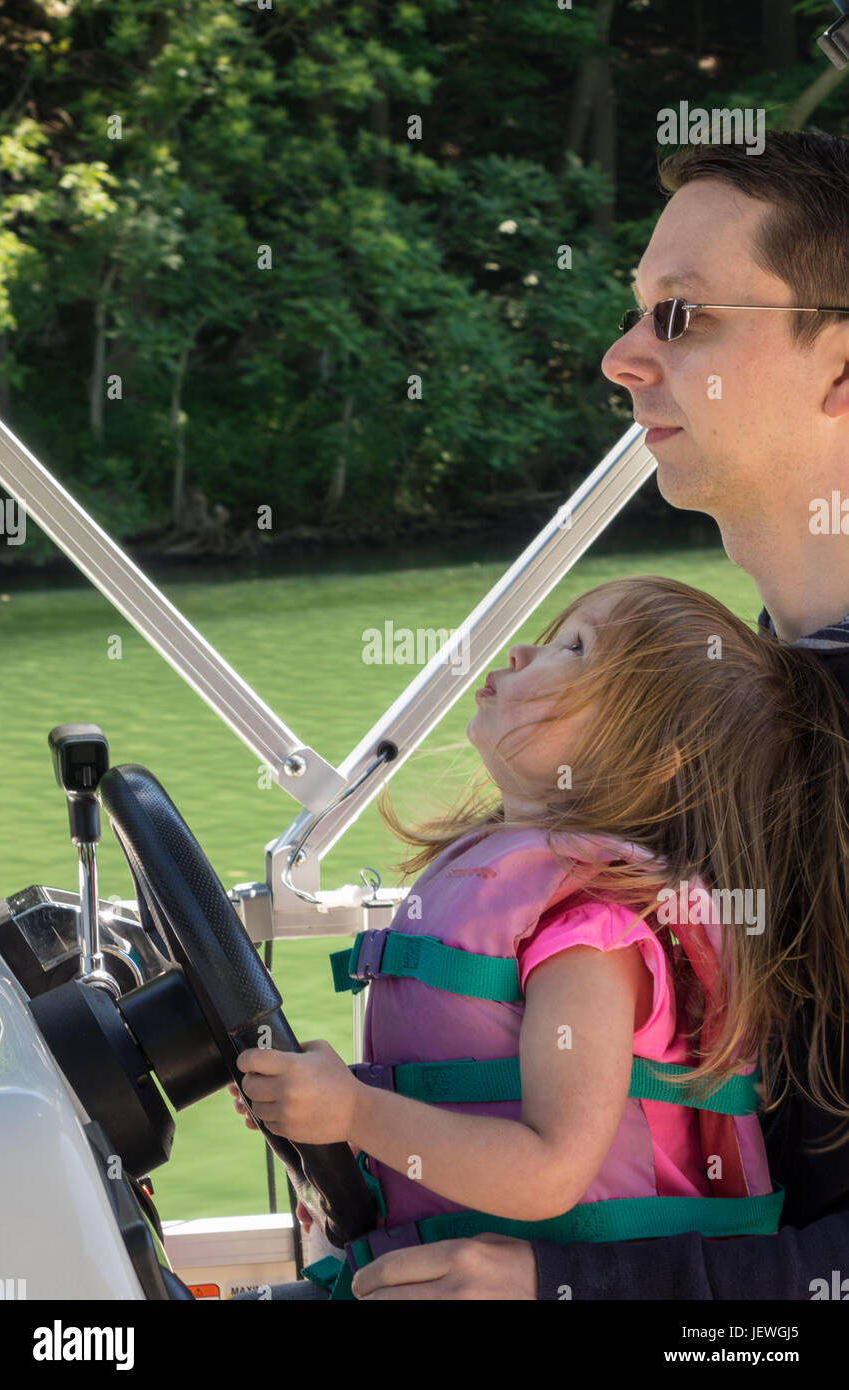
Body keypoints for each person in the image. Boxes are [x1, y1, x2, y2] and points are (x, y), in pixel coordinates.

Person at [331, 126, 849, 1302]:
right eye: (633, 312)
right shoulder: (732, 704)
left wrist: (571, 1292)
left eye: (683, 315)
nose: (621, 356)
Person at [231, 566, 849, 1300]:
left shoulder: (592, 932)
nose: (524, 652)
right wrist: (314, 1106)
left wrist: (356, 1112)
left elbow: (552, 1171)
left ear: (654, 761)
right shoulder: (518, 885)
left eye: (576, 649)